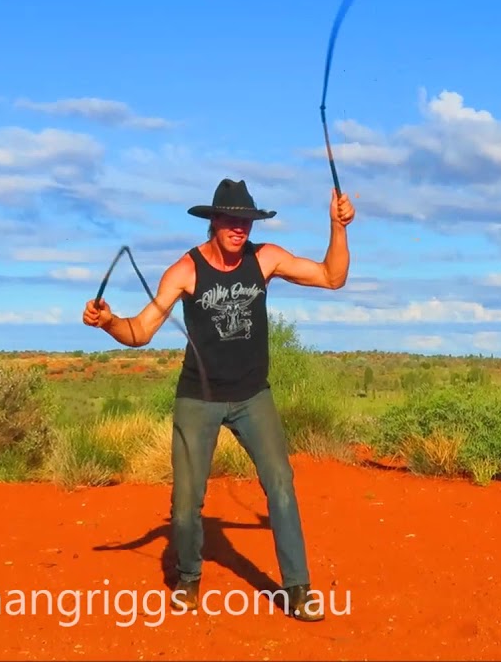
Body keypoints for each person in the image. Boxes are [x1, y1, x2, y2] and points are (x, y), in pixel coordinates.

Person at [81, 177, 354, 622]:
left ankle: (297, 588)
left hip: (253, 395)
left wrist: (338, 227)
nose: (238, 228)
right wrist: (109, 321)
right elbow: (141, 332)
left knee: (281, 484)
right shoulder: (185, 271)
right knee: (186, 502)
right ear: (213, 222)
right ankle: (188, 579)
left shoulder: (266, 259)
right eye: (230, 219)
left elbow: (332, 276)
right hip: (199, 399)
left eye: (245, 220)